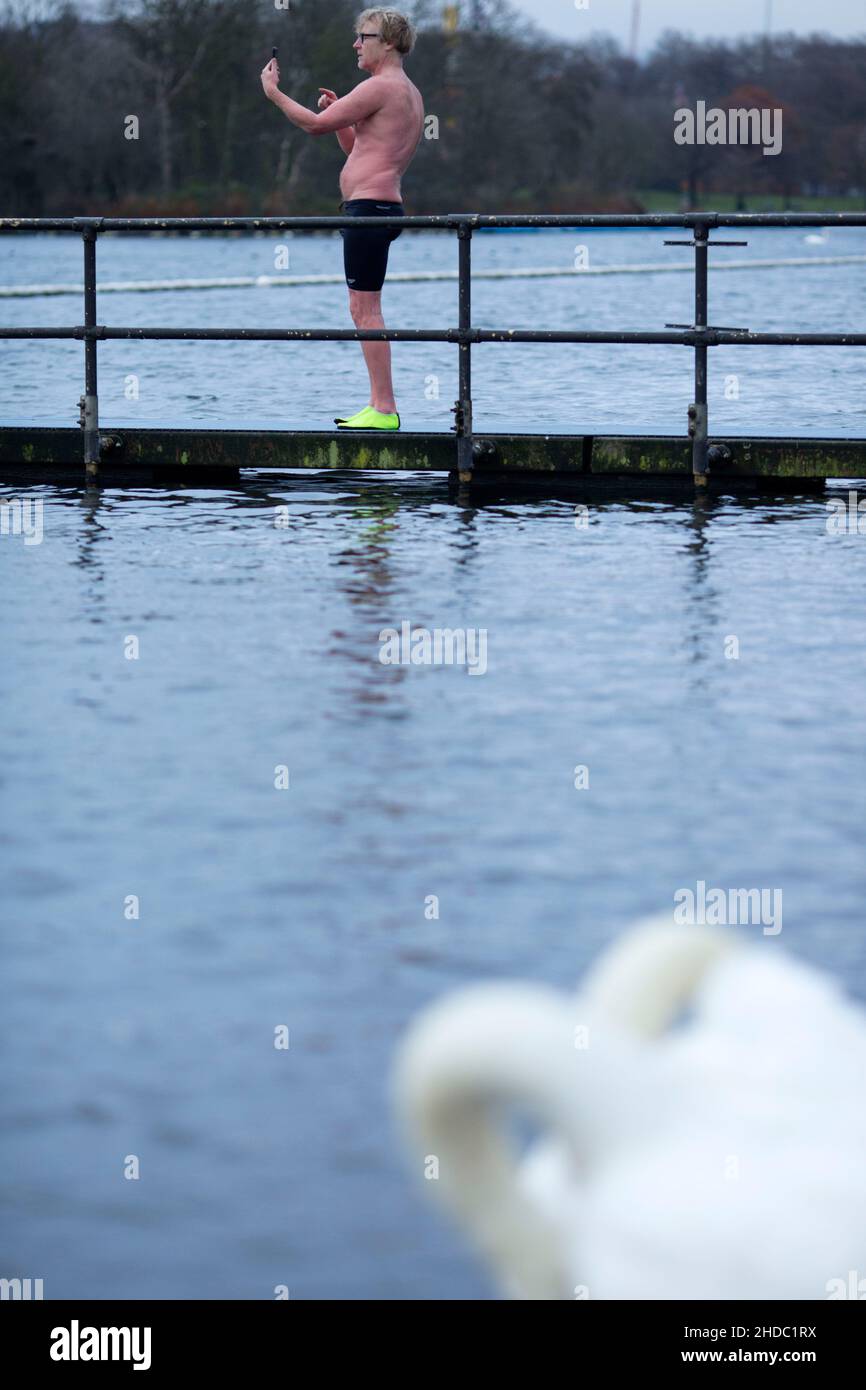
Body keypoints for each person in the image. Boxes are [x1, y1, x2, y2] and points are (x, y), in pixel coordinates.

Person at [261, 10, 424, 431]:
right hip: (379, 208)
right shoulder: (406, 90)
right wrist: (342, 120)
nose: (356, 44)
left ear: (387, 42)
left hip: (369, 212)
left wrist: (273, 93)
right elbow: (363, 151)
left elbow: (313, 125)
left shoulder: (380, 86)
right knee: (364, 307)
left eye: (363, 37)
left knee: (365, 310)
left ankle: (383, 409)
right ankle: (379, 405)